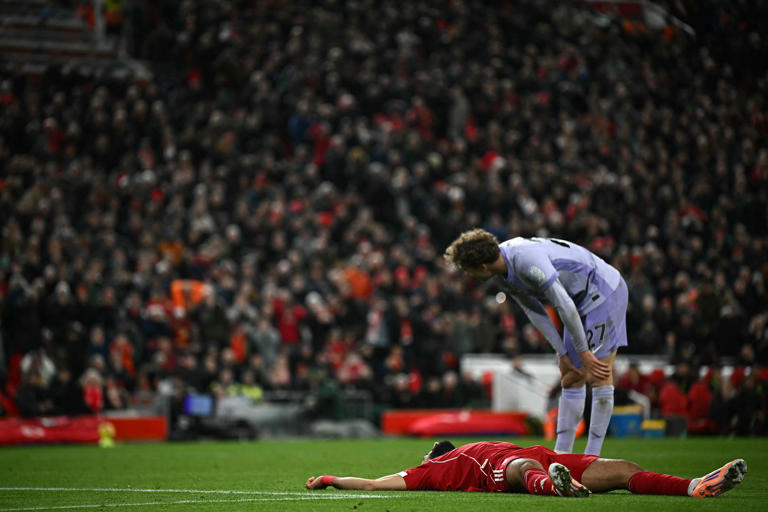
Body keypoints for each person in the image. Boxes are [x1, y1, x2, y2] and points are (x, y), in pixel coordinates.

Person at [444, 229, 629, 456]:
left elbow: (563, 304)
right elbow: (534, 309)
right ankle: (561, 456)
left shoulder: (525, 260)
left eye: (467, 270)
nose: (468, 276)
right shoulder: (502, 272)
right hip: (577, 300)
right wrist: (561, 353)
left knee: (598, 374)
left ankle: (592, 457)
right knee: (571, 376)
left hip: (602, 290)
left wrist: (583, 352)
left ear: (481, 267)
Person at [305, 440, 746, 499]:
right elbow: (370, 485)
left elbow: (372, 482)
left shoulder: (426, 468)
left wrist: (329, 477)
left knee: (622, 469)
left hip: (542, 456)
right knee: (523, 467)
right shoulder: (442, 468)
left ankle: (694, 486)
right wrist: (329, 480)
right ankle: (556, 488)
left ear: (429, 456)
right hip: (510, 465)